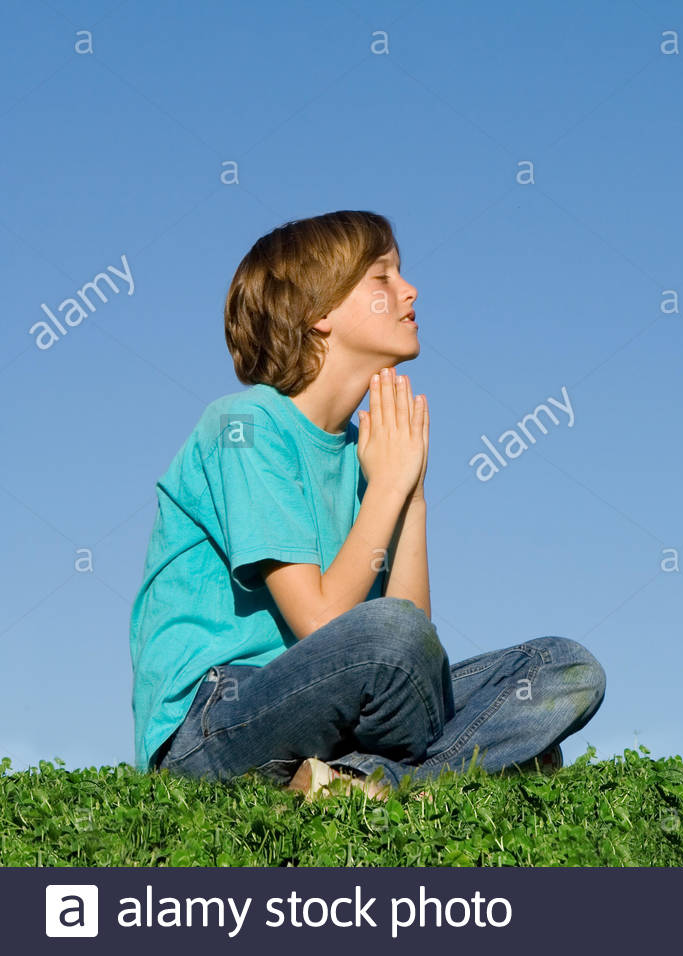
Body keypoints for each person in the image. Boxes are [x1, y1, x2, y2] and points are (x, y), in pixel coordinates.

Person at [129, 210, 605, 800]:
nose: (410, 291)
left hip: (340, 708)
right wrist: (387, 486)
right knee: (394, 636)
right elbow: (327, 626)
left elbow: (416, 669)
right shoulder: (243, 427)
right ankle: (472, 765)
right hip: (215, 724)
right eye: (382, 278)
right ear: (319, 312)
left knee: (565, 667)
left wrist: (411, 493)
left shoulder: (368, 455)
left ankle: (356, 783)